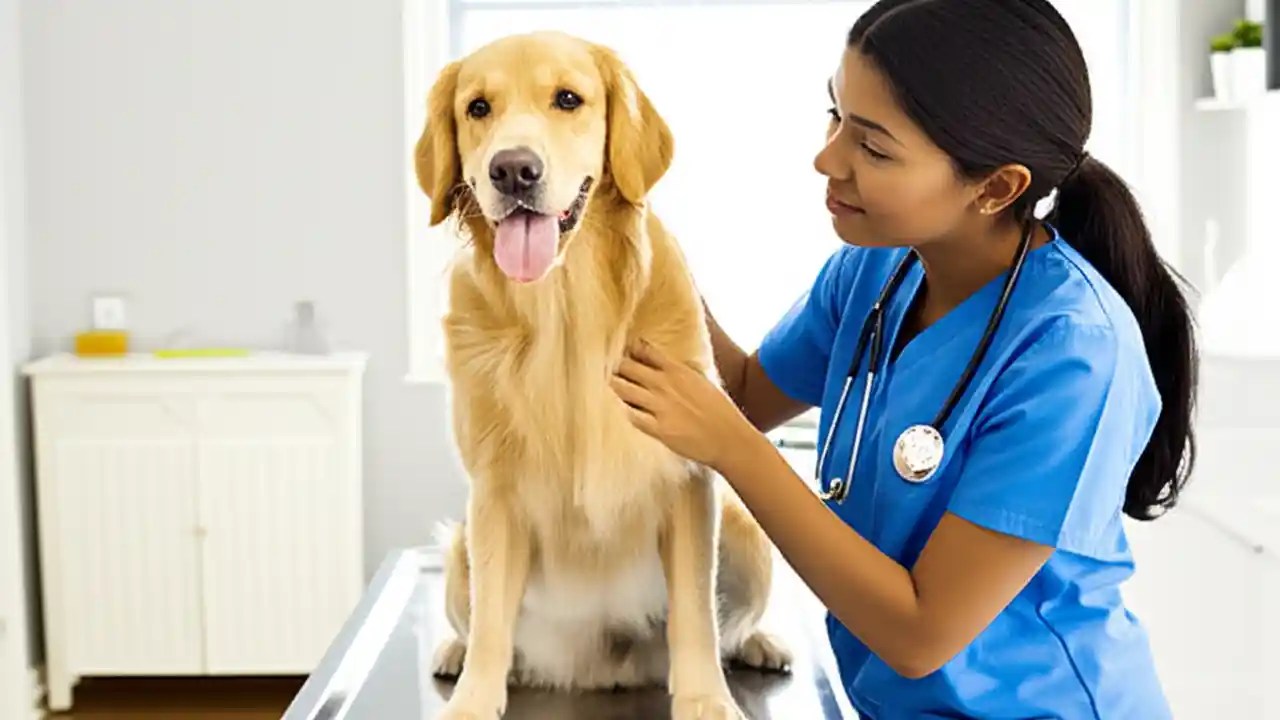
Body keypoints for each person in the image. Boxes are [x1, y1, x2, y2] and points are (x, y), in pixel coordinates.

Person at [609, 0, 1198, 717]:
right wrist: (636, 237)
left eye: (875, 148)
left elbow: (922, 633)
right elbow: (741, 393)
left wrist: (733, 451)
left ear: (995, 187)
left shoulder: (1073, 354)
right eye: (835, 116)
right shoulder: (874, 272)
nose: (827, 159)